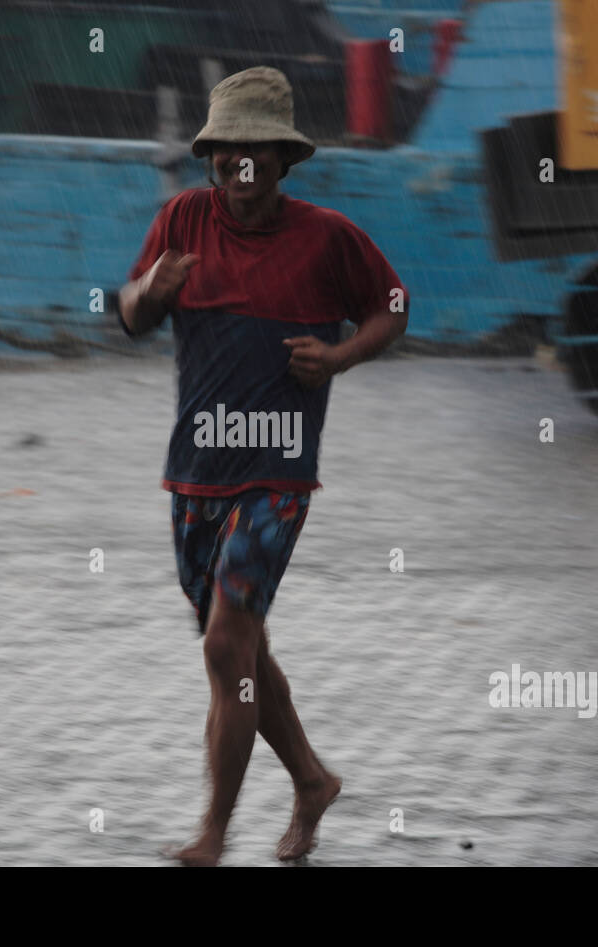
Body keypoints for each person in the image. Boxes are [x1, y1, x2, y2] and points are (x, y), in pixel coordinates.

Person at [117, 66, 408, 866]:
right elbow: (127, 316)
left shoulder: (327, 238)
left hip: (278, 476)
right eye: (224, 158)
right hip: (194, 476)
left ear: (283, 161)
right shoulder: (181, 219)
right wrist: (152, 290)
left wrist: (342, 355)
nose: (239, 173)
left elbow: (395, 305)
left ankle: (214, 831)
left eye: (255, 157)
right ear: (210, 159)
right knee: (240, 650)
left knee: (221, 647)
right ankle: (311, 780)